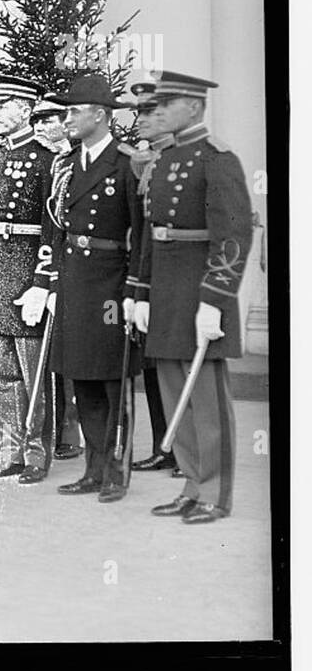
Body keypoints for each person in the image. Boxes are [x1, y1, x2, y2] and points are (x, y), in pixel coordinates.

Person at [135, 71, 252, 524]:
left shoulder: (217, 159)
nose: (158, 111)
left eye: (168, 103)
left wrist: (215, 300)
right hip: (166, 288)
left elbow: (233, 235)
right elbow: (151, 233)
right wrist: (141, 293)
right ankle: (190, 483)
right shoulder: (163, 160)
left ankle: (215, 492)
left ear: (196, 107)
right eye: (156, 104)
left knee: (205, 398)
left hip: (200, 289)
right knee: (172, 390)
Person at [46, 76, 145, 503]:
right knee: (82, 377)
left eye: (74, 111)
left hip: (110, 284)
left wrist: (133, 292)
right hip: (75, 282)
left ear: (101, 116)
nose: (67, 119)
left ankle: (116, 471)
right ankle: (93, 469)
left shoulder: (127, 164)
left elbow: (140, 236)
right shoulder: (70, 164)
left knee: (112, 380)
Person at [0, 75, 57, 485]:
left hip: (27, 265)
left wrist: (42, 280)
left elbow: (51, 227)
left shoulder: (46, 159)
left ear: (25, 108)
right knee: (1, 366)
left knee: (31, 367)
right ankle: (10, 448)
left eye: (4, 106)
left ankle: (37, 451)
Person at [126, 83, 178, 474]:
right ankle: (165, 446)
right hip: (149, 276)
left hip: (177, 280)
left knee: (177, 365)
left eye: (149, 113)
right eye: (137, 113)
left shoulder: (182, 159)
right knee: (152, 364)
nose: (139, 120)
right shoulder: (146, 161)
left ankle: (187, 449)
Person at [32, 94, 81, 458]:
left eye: (50, 119)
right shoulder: (52, 163)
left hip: (82, 266)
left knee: (76, 355)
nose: (42, 127)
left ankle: (73, 433)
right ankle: (58, 430)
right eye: (38, 120)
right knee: (54, 353)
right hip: (49, 262)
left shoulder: (76, 160)